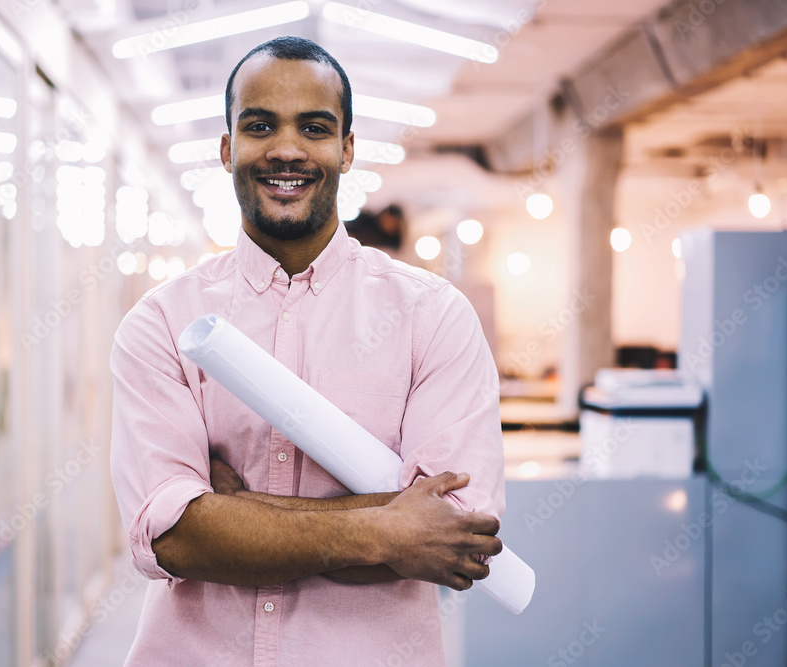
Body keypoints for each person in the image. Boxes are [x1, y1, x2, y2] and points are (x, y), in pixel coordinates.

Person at [109, 36, 505, 666]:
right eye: (260, 126)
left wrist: (234, 511)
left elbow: (452, 533)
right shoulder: (162, 323)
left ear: (346, 150)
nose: (287, 149)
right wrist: (388, 528)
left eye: (314, 128)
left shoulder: (432, 316)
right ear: (227, 149)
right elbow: (175, 537)